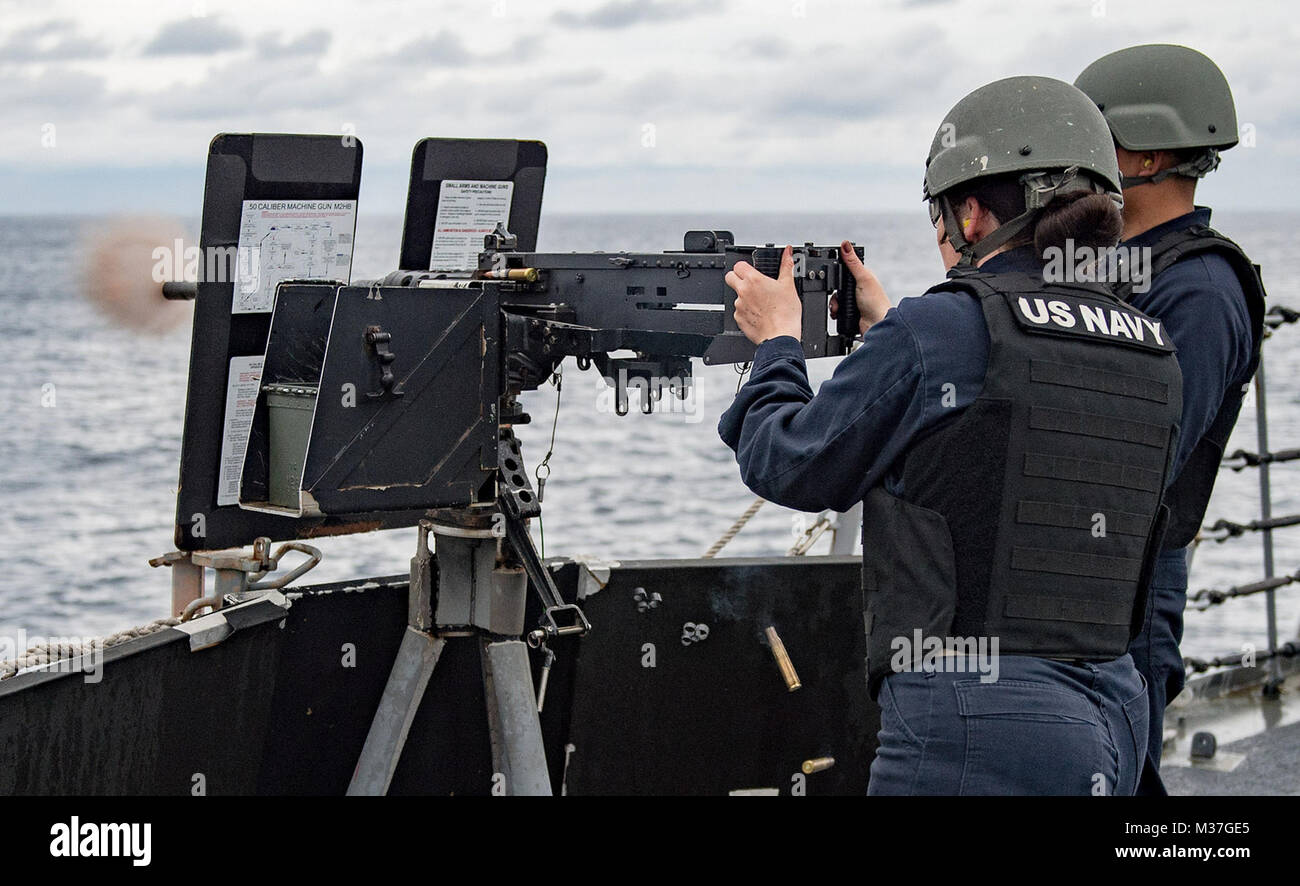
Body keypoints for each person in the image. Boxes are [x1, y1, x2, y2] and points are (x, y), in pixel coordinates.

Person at [718, 76, 1184, 795]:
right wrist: (893, 337)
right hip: (1116, 716)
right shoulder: (1152, 345)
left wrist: (776, 344)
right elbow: (1008, 426)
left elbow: (788, 461)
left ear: (971, 216)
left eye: (940, 220)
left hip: (977, 720)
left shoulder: (943, 328)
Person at [1075, 44, 1266, 791]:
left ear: (1147, 155)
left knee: (1126, 772)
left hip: (1132, 582)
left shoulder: (1200, 289)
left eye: (1093, 136)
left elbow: (1150, 453)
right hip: (1074, 573)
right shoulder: (1108, 264)